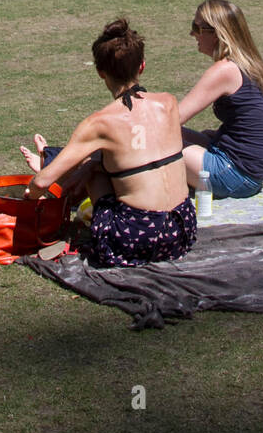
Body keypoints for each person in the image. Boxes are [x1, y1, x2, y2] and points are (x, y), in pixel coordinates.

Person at [20, 18, 196, 268]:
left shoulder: (99, 123)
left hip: (137, 238)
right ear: (142, 66)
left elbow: (40, 183)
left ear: (100, 72)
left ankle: (58, 178)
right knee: (108, 163)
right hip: (182, 229)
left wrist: (30, 197)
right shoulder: (168, 103)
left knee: (93, 168)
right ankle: (64, 164)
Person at [178, 0, 263, 200]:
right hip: (250, 171)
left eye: (196, 28)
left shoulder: (225, 70)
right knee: (175, 135)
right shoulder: (251, 65)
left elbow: (174, 119)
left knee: (157, 145)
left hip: (237, 175)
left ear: (216, 33)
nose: (192, 34)